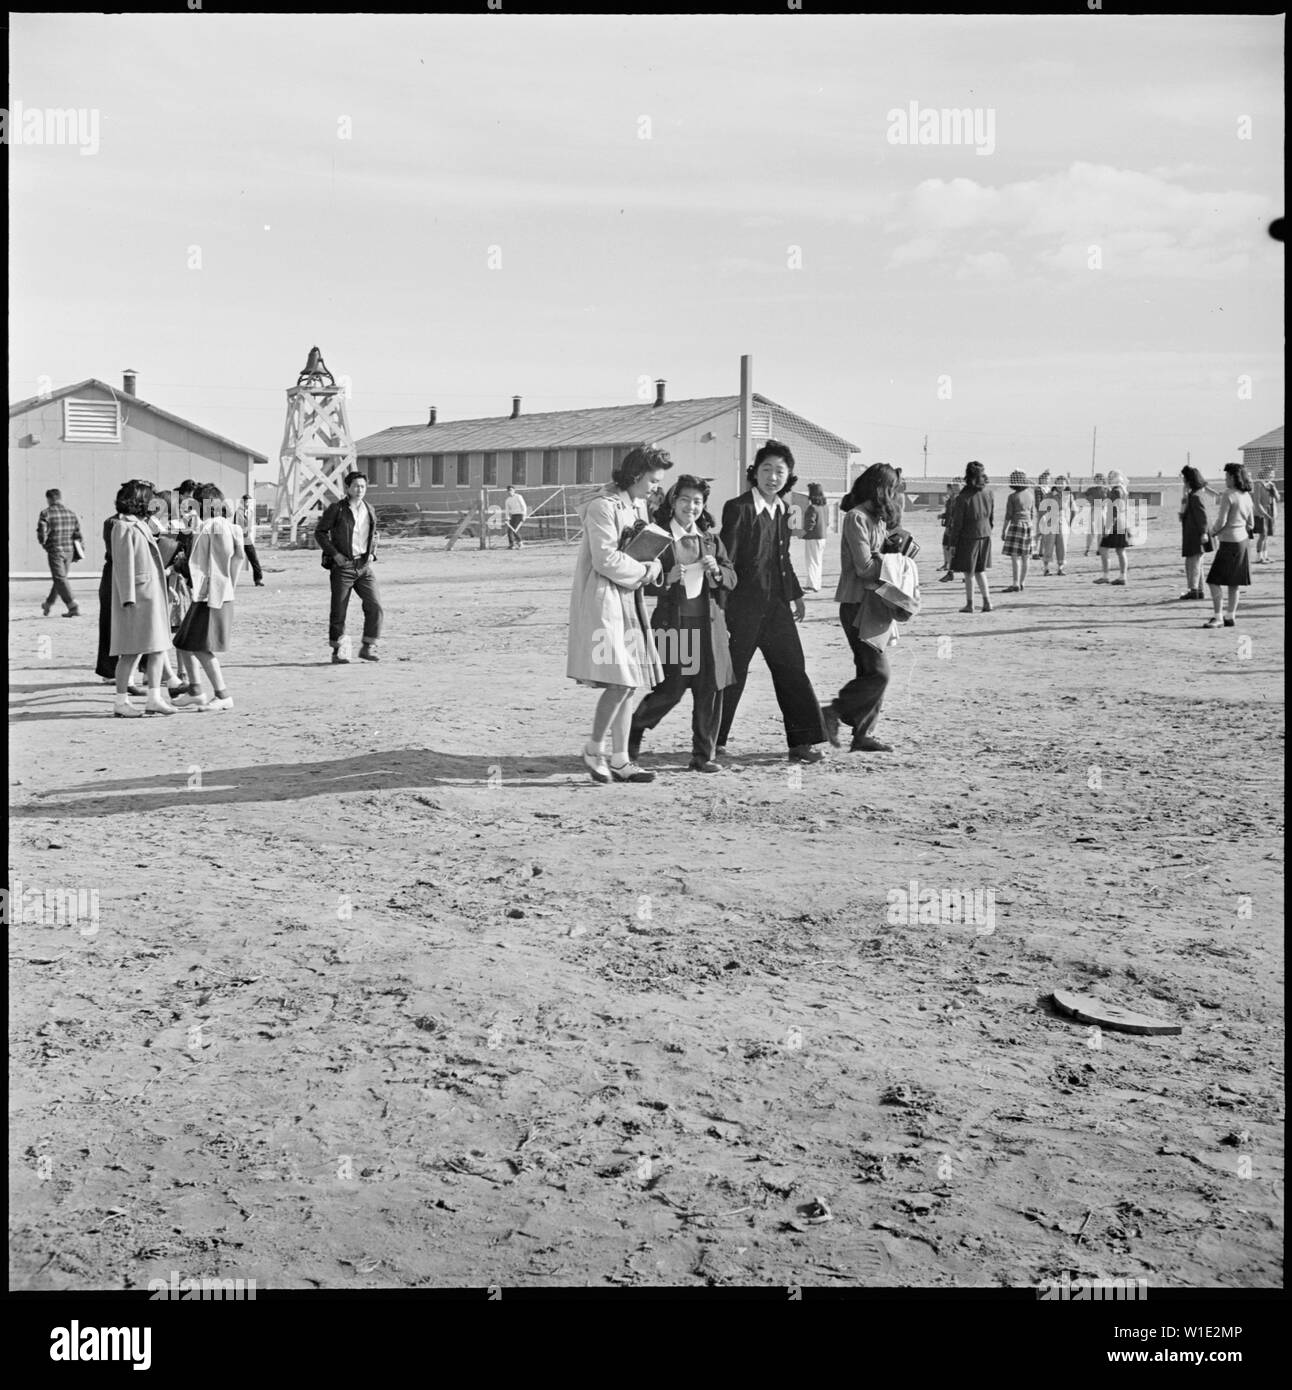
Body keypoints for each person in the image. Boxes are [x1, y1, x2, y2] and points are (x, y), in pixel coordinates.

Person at [714, 441, 828, 763]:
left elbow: (783, 558)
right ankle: (713, 740)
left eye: (780, 471)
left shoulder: (783, 509)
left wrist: (796, 594)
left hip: (777, 608)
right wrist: (720, 609)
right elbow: (727, 561)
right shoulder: (739, 508)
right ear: (755, 472)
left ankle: (802, 743)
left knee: (793, 669)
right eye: (766, 469)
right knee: (733, 672)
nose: (772, 477)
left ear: (789, 476)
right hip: (743, 609)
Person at [566, 444, 671, 783]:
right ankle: (594, 748)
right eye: (654, 480)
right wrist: (645, 571)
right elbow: (606, 559)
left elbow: (644, 545)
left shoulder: (638, 504)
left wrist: (654, 564)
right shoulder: (602, 506)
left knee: (630, 682)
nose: (657, 487)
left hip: (630, 599)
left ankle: (621, 759)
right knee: (621, 680)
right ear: (637, 475)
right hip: (605, 599)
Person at [628, 475, 737, 772]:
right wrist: (665, 579)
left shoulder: (711, 540)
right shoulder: (657, 537)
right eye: (685, 500)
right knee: (671, 690)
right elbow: (637, 578)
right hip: (674, 627)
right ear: (673, 502)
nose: (692, 506)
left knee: (710, 690)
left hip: (709, 627)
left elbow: (731, 577)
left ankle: (704, 756)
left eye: (698, 501)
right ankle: (633, 731)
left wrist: (717, 573)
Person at [820, 462, 902, 754]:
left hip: (874, 603)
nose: (894, 496)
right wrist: (893, 560)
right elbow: (865, 567)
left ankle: (863, 734)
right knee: (879, 674)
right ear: (882, 488)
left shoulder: (877, 519)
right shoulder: (856, 518)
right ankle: (832, 713)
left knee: (867, 671)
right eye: (892, 489)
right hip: (857, 604)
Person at [173, 483, 245, 709]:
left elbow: (221, 560)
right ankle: (195, 690)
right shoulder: (215, 525)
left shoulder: (217, 526)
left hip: (212, 595)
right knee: (183, 642)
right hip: (207, 593)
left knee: (200, 647)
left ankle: (222, 696)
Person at [108, 480, 176, 717]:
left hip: (149, 595)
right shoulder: (123, 526)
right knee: (130, 652)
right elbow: (123, 565)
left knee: (158, 649)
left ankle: (154, 698)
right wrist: (128, 598)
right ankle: (121, 701)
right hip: (138, 599)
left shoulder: (138, 525)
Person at [316, 472, 383, 663]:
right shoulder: (337, 509)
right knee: (339, 610)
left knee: (375, 604)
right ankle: (337, 652)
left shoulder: (369, 509)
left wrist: (372, 553)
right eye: (355, 486)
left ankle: (368, 646)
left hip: (363, 566)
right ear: (347, 488)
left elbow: (375, 533)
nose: (359, 490)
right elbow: (320, 532)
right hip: (343, 566)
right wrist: (335, 555)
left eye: (362, 486)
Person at [1202, 462, 1255, 628]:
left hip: (1230, 542)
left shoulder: (1229, 494)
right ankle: (1230, 616)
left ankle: (1217, 617)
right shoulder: (1247, 495)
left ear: (1233, 477)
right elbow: (1251, 524)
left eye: (1227, 476)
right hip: (1243, 542)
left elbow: (1222, 521)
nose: (1225, 479)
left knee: (1213, 580)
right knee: (1234, 583)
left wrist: (1210, 533)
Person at [947, 460, 994, 613]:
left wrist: (953, 543)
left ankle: (970, 603)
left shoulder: (963, 497)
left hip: (969, 536)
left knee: (969, 572)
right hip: (985, 534)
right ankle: (987, 602)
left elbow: (957, 523)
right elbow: (991, 517)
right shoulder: (988, 493)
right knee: (981, 570)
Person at [36, 487, 84, 618]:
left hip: (55, 550)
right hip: (69, 550)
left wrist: (44, 543)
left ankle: (72, 605)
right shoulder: (71, 513)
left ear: (49, 499)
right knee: (61, 579)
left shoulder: (46, 513)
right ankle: (48, 604)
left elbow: (41, 533)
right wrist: (78, 552)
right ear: (60, 498)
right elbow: (78, 534)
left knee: (59, 578)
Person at [1001, 470, 1036, 593]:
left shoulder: (1012, 497)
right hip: (1028, 526)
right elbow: (1032, 514)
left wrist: (1003, 530)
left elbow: (1008, 515)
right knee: (1026, 557)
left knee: (1015, 557)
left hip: (1016, 525)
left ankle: (1015, 583)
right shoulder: (1030, 495)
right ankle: (1022, 582)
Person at [1178, 465, 1210, 600]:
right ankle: (1199, 589)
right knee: (1195, 562)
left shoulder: (1196, 496)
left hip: (1196, 534)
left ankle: (1194, 589)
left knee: (1193, 562)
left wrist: (1203, 532)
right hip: (1192, 533)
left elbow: (1203, 516)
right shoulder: (1192, 495)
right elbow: (1182, 512)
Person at [1095, 469, 1131, 585]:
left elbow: (1114, 510)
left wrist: (1108, 527)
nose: (1109, 479)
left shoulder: (1116, 491)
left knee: (1104, 548)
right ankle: (1122, 576)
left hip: (1115, 525)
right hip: (1121, 523)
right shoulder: (1122, 490)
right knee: (1120, 550)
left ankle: (1107, 576)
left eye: (1111, 477)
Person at [1038, 475, 1072, 576]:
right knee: (1048, 545)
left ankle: (1060, 568)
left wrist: (1069, 522)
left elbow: (1072, 509)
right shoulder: (1049, 495)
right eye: (1059, 482)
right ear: (1055, 483)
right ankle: (1046, 568)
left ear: (1066, 484)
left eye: (1063, 482)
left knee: (1062, 545)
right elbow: (1042, 510)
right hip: (1050, 522)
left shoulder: (1068, 496)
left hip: (1063, 522)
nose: (1061, 485)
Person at [802, 482, 829, 592]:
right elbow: (827, 523)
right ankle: (815, 584)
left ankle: (812, 585)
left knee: (811, 561)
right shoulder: (825, 507)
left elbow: (810, 524)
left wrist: (804, 532)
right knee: (818, 561)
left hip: (813, 537)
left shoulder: (812, 507)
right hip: (822, 537)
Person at [1251, 465, 1279, 563]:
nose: (1272, 475)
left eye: (1273, 474)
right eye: (1270, 473)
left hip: (1270, 510)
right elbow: (1257, 502)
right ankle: (1259, 557)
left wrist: (1274, 490)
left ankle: (1265, 556)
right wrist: (1263, 513)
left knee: (1267, 535)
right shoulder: (1258, 484)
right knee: (1262, 535)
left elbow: (1278, 498)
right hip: (1261, 512)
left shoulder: (1271, 485)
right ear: (1265, 473)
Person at [238, 494, 265, 585]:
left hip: (248, 540)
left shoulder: (251, 512)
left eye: (250, 502)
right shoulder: (238, 512)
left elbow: (251, 526)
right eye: (246, 502)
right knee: (232, 559)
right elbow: (236, 525)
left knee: (254, 560)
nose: (248, 504)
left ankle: (258, 579)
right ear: (243, 502)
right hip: (239, 539)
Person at [938, 480, 961, 581]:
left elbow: (954, 514)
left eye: (949, 489)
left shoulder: (959, 499)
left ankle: (952, 569)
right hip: (950, 526)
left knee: (954, 548)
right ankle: (948, 566)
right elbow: (949, 514)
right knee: (947, 546)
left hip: (955, 527)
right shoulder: (950, 501)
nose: (948, 491)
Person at [1082, 473, 1107, 557]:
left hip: (1103, 511)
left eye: (1100, 479)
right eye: (1096, 478)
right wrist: (1092, 502)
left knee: (1101, 532)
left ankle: (1099, 549)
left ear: (1103, 480)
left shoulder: (1107, 489)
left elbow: (1109, 499)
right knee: (1091, 531)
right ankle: (1087, 549)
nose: (1098, 480)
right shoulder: (1091, 489)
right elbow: (1085, 496)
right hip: (1093, 510)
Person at [1031, 471, 1051, 558]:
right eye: (1046, 479)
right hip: (1042, 513)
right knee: (1039, 533)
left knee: (1045, 533)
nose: (1047, 480)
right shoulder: (1039, 489)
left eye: (1048, 479)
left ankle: (1041, 551)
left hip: (1049, 514)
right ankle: (1034, 551)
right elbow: (1037, 503)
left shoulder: (1049, 489)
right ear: (1041, 479)